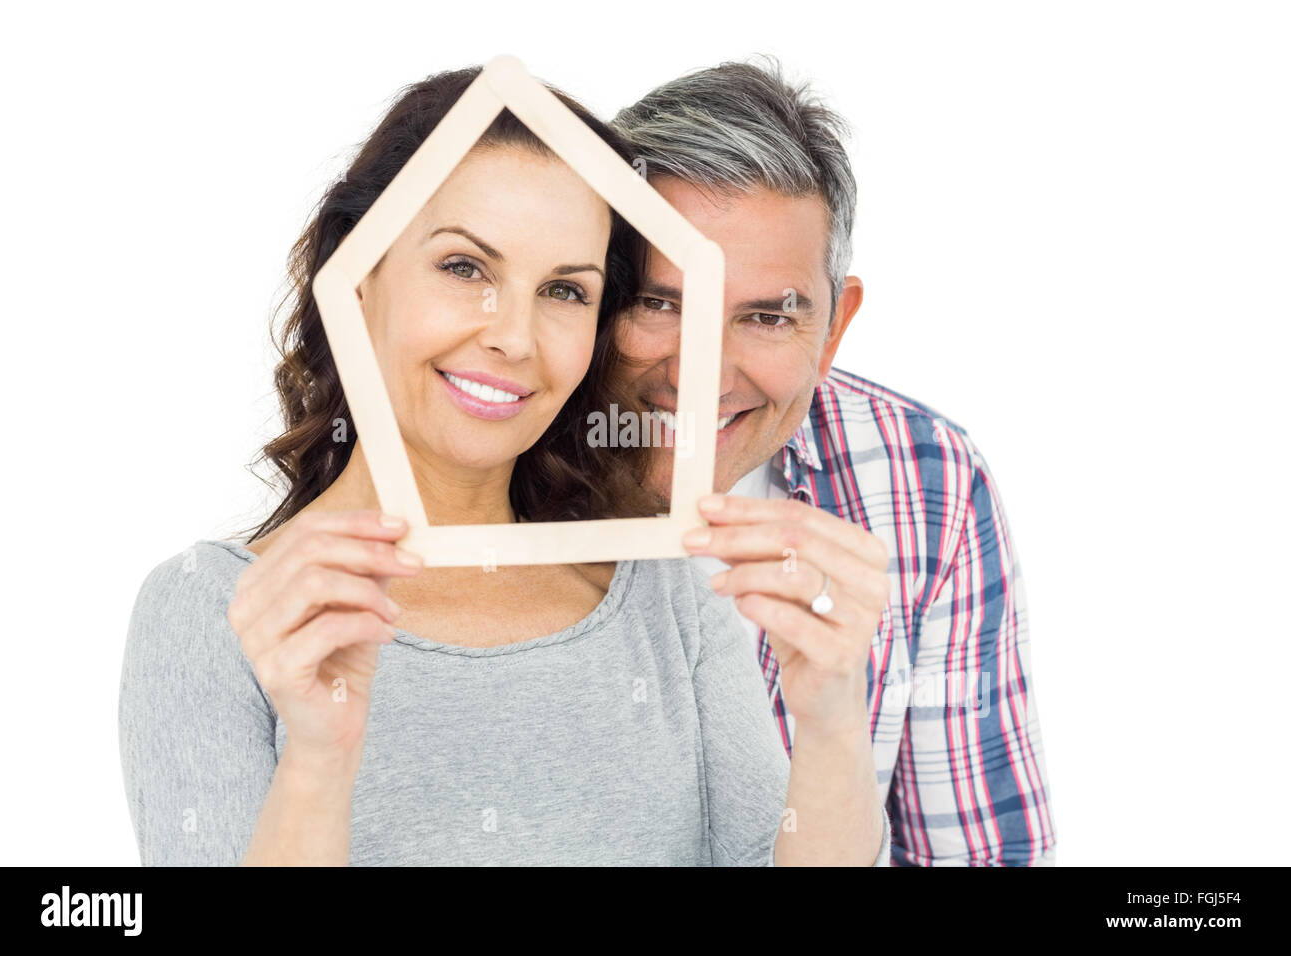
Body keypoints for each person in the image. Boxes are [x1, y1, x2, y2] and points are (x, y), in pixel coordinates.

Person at [117, 65, 893, 866]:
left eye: (564, 290)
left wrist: (833, 719)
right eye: (465, 268)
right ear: (358, 277)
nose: (513, 337)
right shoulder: (216, 613)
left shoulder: (661, 596)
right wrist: (319, 762)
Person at [609, 58, 1057, 865]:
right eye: (658, 301)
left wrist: (834, 727)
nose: (701, 371)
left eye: (767, 319)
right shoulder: (468, 468)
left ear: (834, 329)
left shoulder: (929, 484)